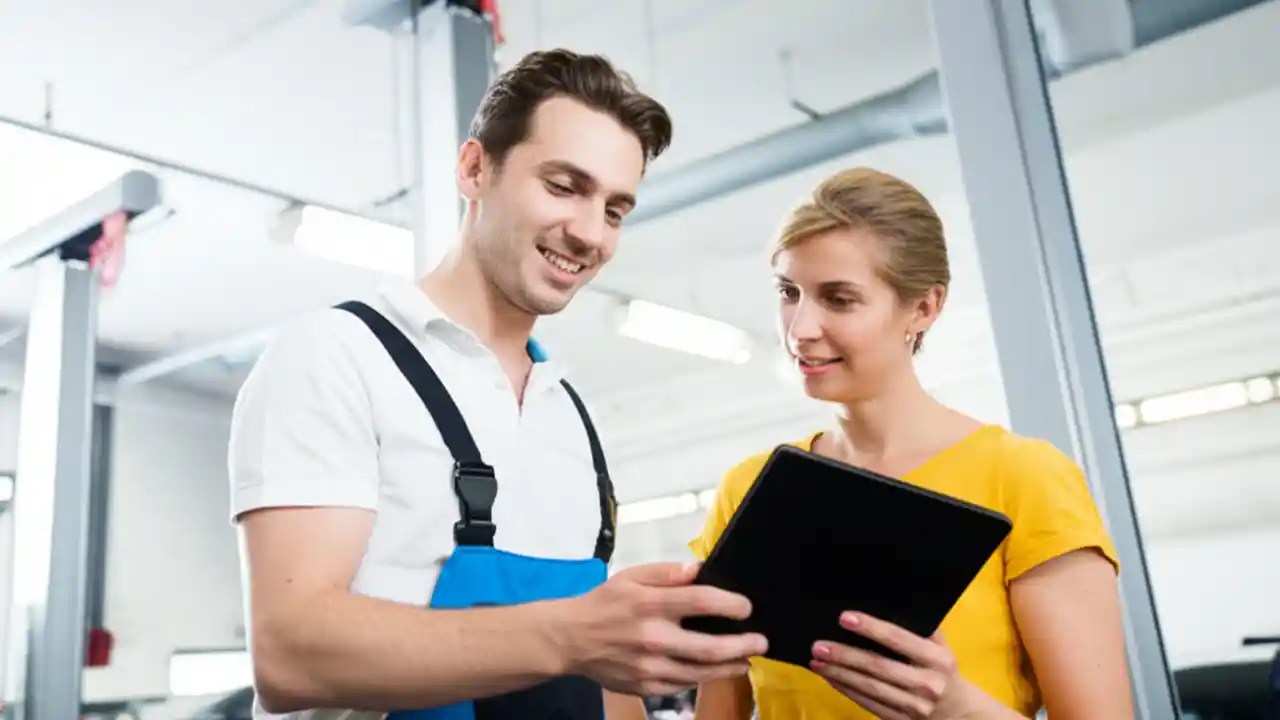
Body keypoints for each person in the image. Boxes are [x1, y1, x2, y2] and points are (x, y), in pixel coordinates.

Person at [228, 49, 766, 720]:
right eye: (564, 186)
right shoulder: (338, 357)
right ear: (474, 168)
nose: (590, 234)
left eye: (615, 210)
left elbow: (602, 679)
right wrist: (575, 636)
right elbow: (290, 656)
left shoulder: (569, 415)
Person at [690, 167, 1135, 719]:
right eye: (789, 293)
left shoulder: (1022, 477)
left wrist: (956, 707)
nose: (800, 328)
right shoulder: (750, 488)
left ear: (924, 308)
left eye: (839, 299)